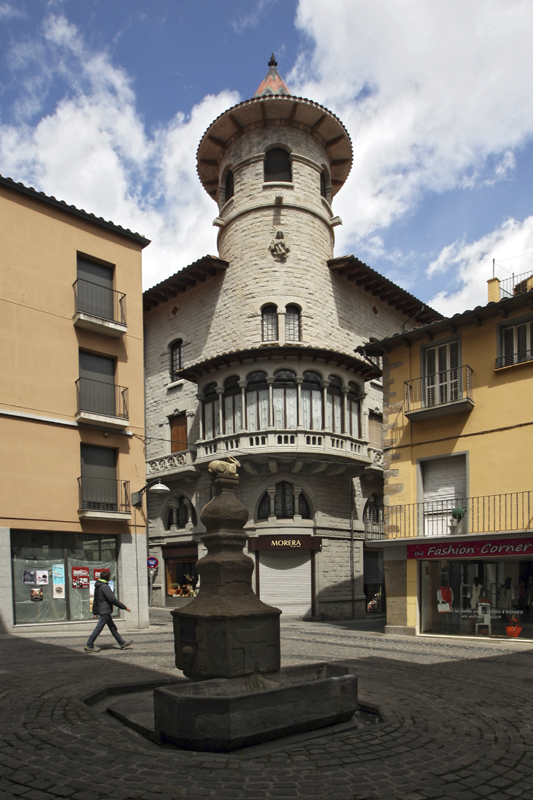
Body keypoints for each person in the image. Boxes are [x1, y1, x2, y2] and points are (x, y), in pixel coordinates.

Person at [84, 570, 133, 652]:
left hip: (103, 610)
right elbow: (112, 599)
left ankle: (122, 643)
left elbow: (95, 600)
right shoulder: (105, 587)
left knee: (113, 628)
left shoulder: (98, 586)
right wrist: (124, 607)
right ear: (108, 578)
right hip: (105, 611)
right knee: (98, 628)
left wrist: (95, 611)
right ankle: (89, 645)